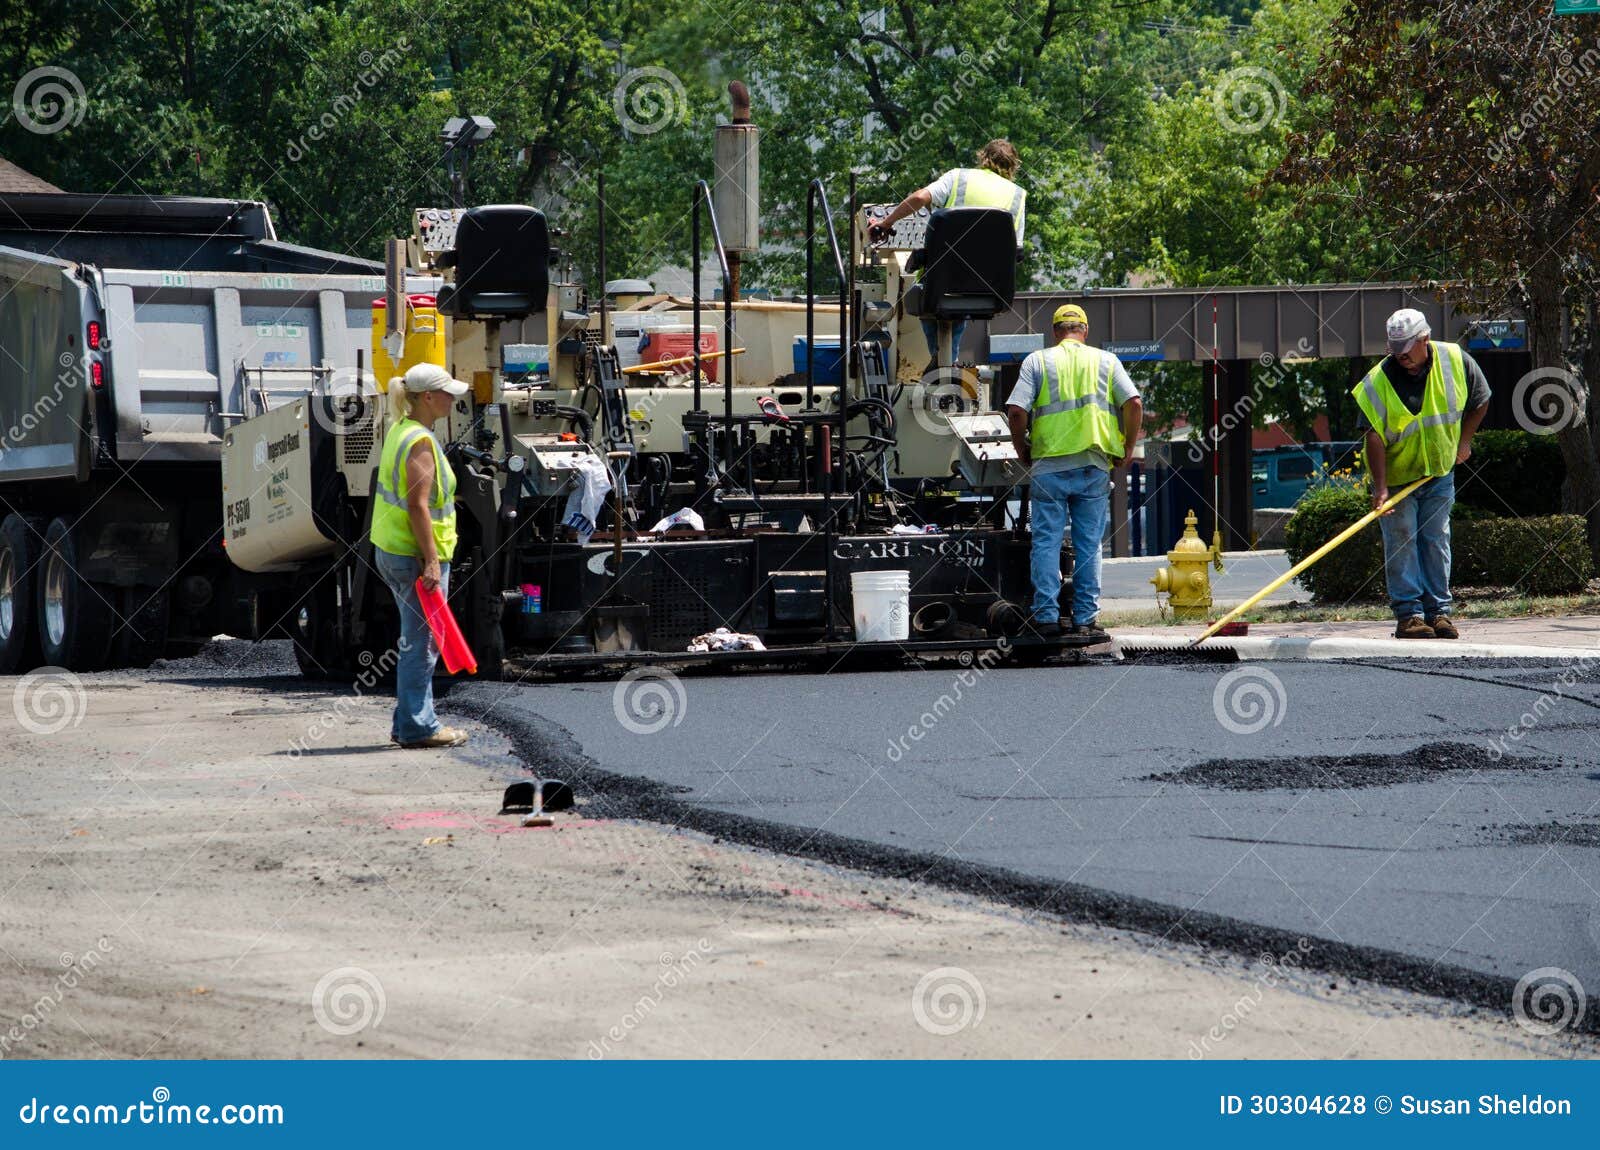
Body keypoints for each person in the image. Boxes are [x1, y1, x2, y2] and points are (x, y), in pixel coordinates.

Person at [1005, 304, 1142, 640]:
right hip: (1093, 466)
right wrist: (1126, 447)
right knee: (1089, 546)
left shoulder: (1037, 361)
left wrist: (1022, 448)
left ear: (1054, 332)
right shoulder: (1106, 361)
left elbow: (1016, 411)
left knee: (1046, 544)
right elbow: (1134, 403)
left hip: (1049, 466)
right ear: (1085, 330)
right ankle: (1085, 620)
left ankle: (1047, 618)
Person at [1354, 308, 1489, 640]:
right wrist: (1381, 488)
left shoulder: (1455, 360)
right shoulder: (1377, 382)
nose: (1400, 355)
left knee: (1435, 539)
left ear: (1424, 339)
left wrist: (1464, 442)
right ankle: (1410, 616)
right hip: (1398, 479)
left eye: (1406, 347)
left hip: (1438, 473)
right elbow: (1373, 436)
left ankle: (1439, 613)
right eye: (1394, 347)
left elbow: (1481, 399)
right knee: (1401, 541)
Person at [371, 363, 472, 748]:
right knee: (424, 642)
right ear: (428, 397)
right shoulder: (420, 443)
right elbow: (418, 505)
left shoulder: (402, 430)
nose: (453, 398)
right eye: (447, 393)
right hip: (414, 557)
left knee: (417, 639)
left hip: (396, 551)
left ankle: (407, 722)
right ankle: (419, 727)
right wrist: (431, 560)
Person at [869, 139, 1026, 361]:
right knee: (958, 303)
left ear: (983, 158)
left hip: (943, 285)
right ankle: (946, 368)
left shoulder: (958, 177)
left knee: (932, 294)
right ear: (1013, 166)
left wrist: (886, 223)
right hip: (989, 291)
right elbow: (1016, 251)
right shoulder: (1018, 196)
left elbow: (920, 198)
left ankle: (941, 365)